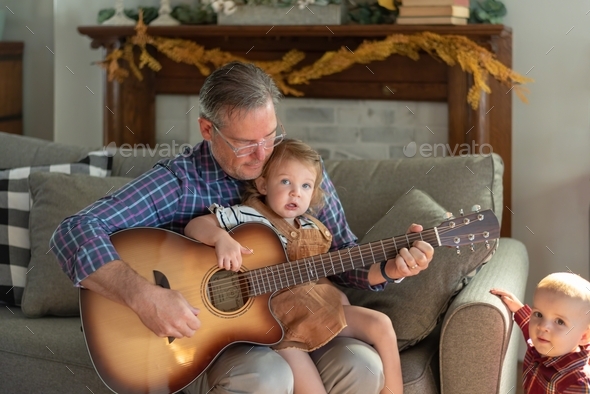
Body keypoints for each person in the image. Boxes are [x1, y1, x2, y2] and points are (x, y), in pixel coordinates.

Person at [50, 61, 434, 394]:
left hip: (294, 322)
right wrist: (144, 297)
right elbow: (75, 230)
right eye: (245, 144)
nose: (262, 155)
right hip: (207, 342)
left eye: (269, 137)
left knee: (362, 364)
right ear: (207, 129)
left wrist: (390, 268)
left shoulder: (295, 172)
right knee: (268, 376)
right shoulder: (180, 182)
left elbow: (339, 256)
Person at [185, 139, 404, 394]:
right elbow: (195, 226)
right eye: (285, 181)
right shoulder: (246, 216)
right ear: (263, 184)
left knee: (381, 324)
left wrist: (340, 288)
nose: (295, 192)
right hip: (276, 326)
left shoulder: (313, 228)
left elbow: (321, 271)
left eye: (305, 185)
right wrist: (220, 238)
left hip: (311, 308)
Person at [491, 273, 590, 393]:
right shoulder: (541, 342)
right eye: (539, 314)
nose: (542, 327)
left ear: (584, 336)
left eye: (559, 321)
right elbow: (528, 327)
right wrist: (519, 309)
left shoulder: (575, 382)